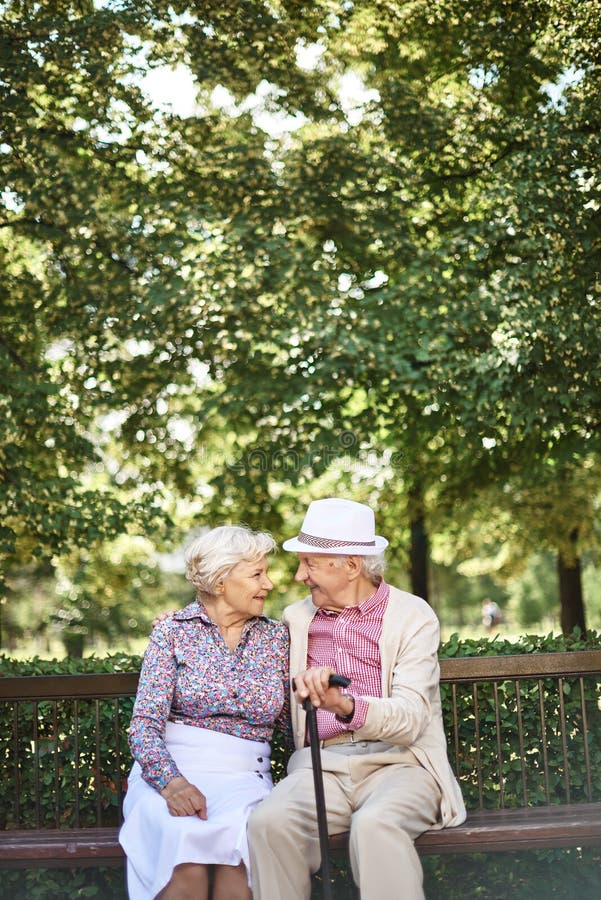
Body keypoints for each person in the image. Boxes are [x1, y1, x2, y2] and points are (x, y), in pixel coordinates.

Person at [247, 497, 466, 900]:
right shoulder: (296, 619)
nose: (298, 577)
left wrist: (344, 705)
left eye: (309, 563)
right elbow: (240, 648)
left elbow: (412, 717)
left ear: (351, 565)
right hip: (321, 767)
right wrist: (185, 625)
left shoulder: (412, 616)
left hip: (401, 764)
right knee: (267, 822)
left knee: (376, 824)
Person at [119, 525, 290, 900]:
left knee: (239, 859)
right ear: (219, 581)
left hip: (245, 778)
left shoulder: (277, 637)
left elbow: (293, 726)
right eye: (257, 574)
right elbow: (144, 726)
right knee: (186, 860)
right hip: (172, 773)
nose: (270, 584)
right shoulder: (172, 632)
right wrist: (170, 782)